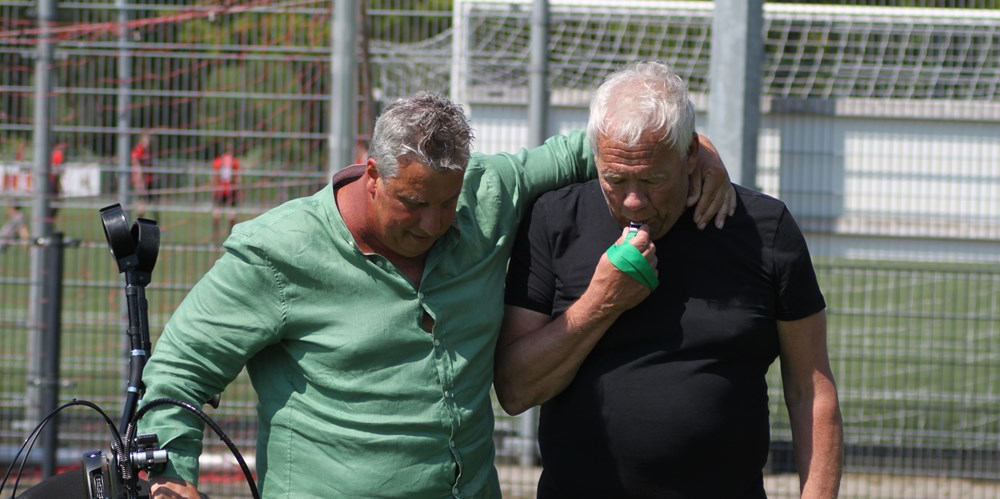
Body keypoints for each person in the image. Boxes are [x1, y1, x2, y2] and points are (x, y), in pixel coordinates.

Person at [139, 91, 736, 499]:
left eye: (448, 202)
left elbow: (599, 147)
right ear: (373, 175)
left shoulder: (488, 193)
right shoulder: (279, 252)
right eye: (414, 203)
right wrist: (169, 480)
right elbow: (177, 372)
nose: (433, 223)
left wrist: (696, 149)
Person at [495, 62, 844, 499]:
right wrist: (601, 303)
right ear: (595, 157)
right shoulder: (554, 220)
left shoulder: (764, 230)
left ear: (691, 154)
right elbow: (514, 391)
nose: (633, 200)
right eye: (615, 179)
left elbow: (811, 389)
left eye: (654, 179)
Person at [211, 143, 241, 243]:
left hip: (230, 192)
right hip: (220, 192)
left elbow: (237, 178)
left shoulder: (234, 163)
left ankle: (230, 237)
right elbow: (214, 177)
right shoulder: (218, 162)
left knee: (231, 216)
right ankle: (216, 238)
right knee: (217, 215)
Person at [131, 133, 155, 216]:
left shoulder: (147, 150)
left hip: (147, 179)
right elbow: (136, 163)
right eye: (146, 139)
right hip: (141, 180)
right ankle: (139, 219)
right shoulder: (139, 149)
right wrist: (140, 180)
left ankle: (141, 218)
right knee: (141, 202)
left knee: (145, 202)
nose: (148, 141)